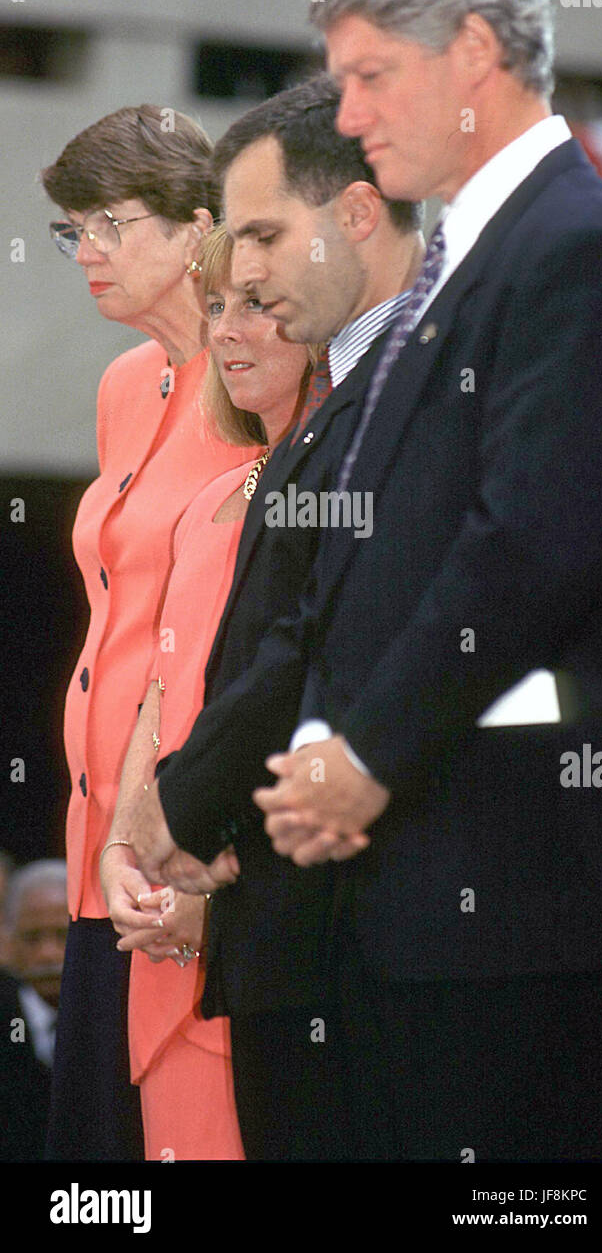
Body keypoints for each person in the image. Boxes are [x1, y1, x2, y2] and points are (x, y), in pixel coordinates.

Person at [132, 0, 602, 1162]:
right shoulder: (464, 271)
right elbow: (359, 581)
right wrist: (258, 783)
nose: (347, 114)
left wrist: (359, 754)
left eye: (369, 74)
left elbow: (533, 542)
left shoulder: (581, 246)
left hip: (513, 916)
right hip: (404, 919)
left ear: (472, 51)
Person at [128, 73, 425, 1160]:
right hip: (282, 934)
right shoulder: (335, 407)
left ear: (352, 212)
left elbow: (322, 642)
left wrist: (181, 812)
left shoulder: (416, 384)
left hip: (365, 937)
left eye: (261, 236)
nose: (239, 279)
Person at [41, 105, 257, 1162]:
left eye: (109, 223)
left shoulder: (263, 376)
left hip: (185, 852)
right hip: (95, 856)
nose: (87, 252)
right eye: (72, 229)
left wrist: (200, 853)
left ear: (195, 227)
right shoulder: (124, 386)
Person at [100, 224, 311, 1160]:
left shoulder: (328, 490)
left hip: (243, 908)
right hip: (159, 908)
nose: (227, 330)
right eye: (216, 305)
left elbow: (295, 694)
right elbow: (159, 688)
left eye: (257, 305)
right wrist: (121, 849)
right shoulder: (207, 497)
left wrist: (216, 875)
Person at [0, 861, 67, 1160]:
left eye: (62, 936)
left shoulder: (118, 1021)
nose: (47, 954)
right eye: (32, 938)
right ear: (9, 941)